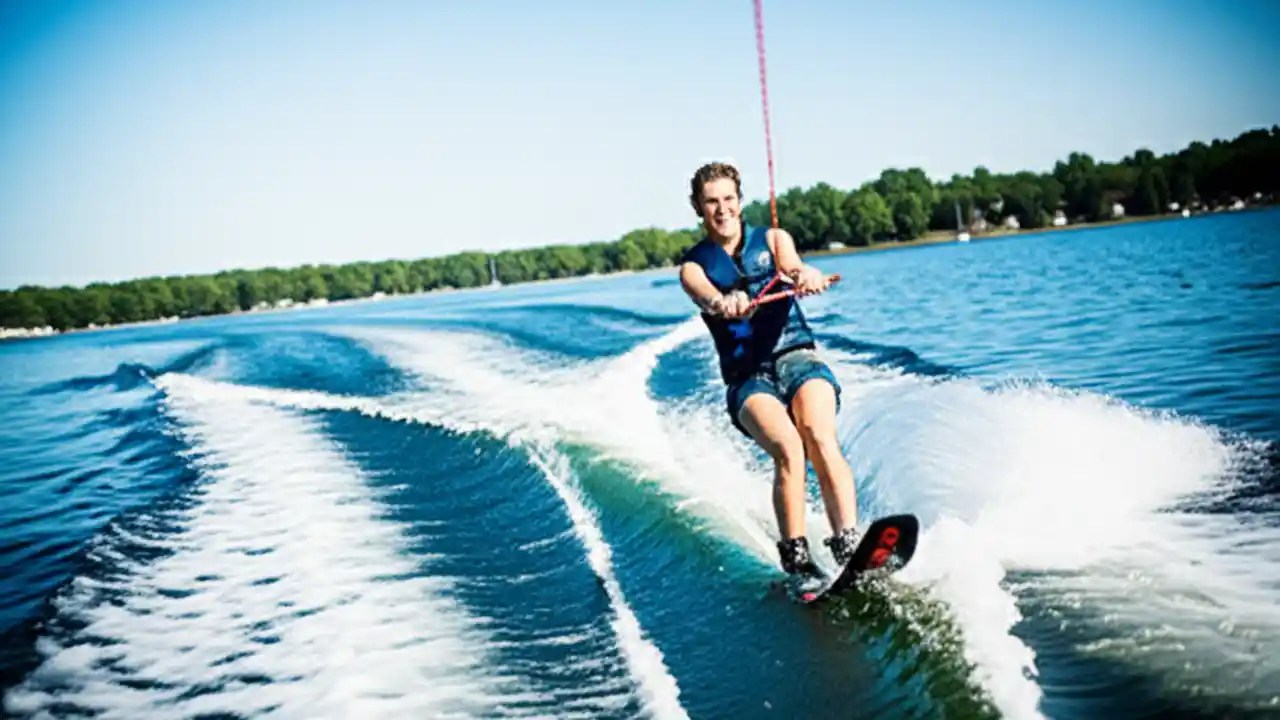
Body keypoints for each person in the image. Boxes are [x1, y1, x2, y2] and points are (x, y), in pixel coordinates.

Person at [677, 161, 860, 598]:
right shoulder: (692, 268)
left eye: (728, 199)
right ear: (698, 208)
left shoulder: (775, 240)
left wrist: (806, 276)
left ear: (740, 201)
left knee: (817, 433)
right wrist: (725, 303)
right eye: (711, 202)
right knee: (788, 447)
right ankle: (795, 555)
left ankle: (848, 541)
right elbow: (705, 295)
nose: (722, 210)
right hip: (747, 376)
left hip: (796, 356)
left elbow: (794, 268)